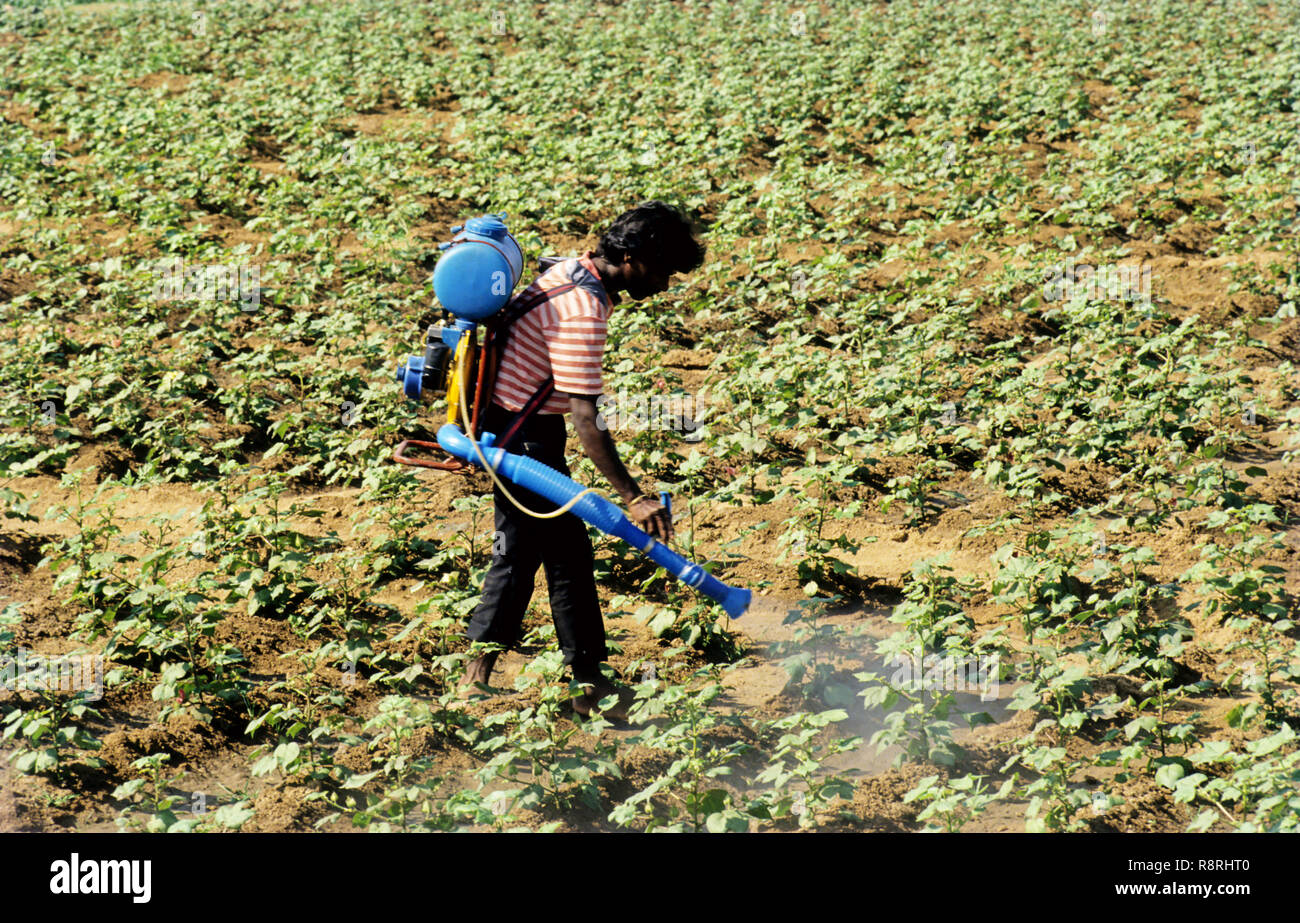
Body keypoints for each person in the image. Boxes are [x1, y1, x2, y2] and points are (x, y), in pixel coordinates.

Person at [461, 200, 705, 720]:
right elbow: (586, 417)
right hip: (523, 438)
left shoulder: (572, 270)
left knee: (539, 553)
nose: (664, 285)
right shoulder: (585, 311)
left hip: (518, 424)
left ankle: (556, 682)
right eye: (663, 271)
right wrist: (633, 496)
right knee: (544, 554)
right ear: (633, 258)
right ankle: (577, 686)